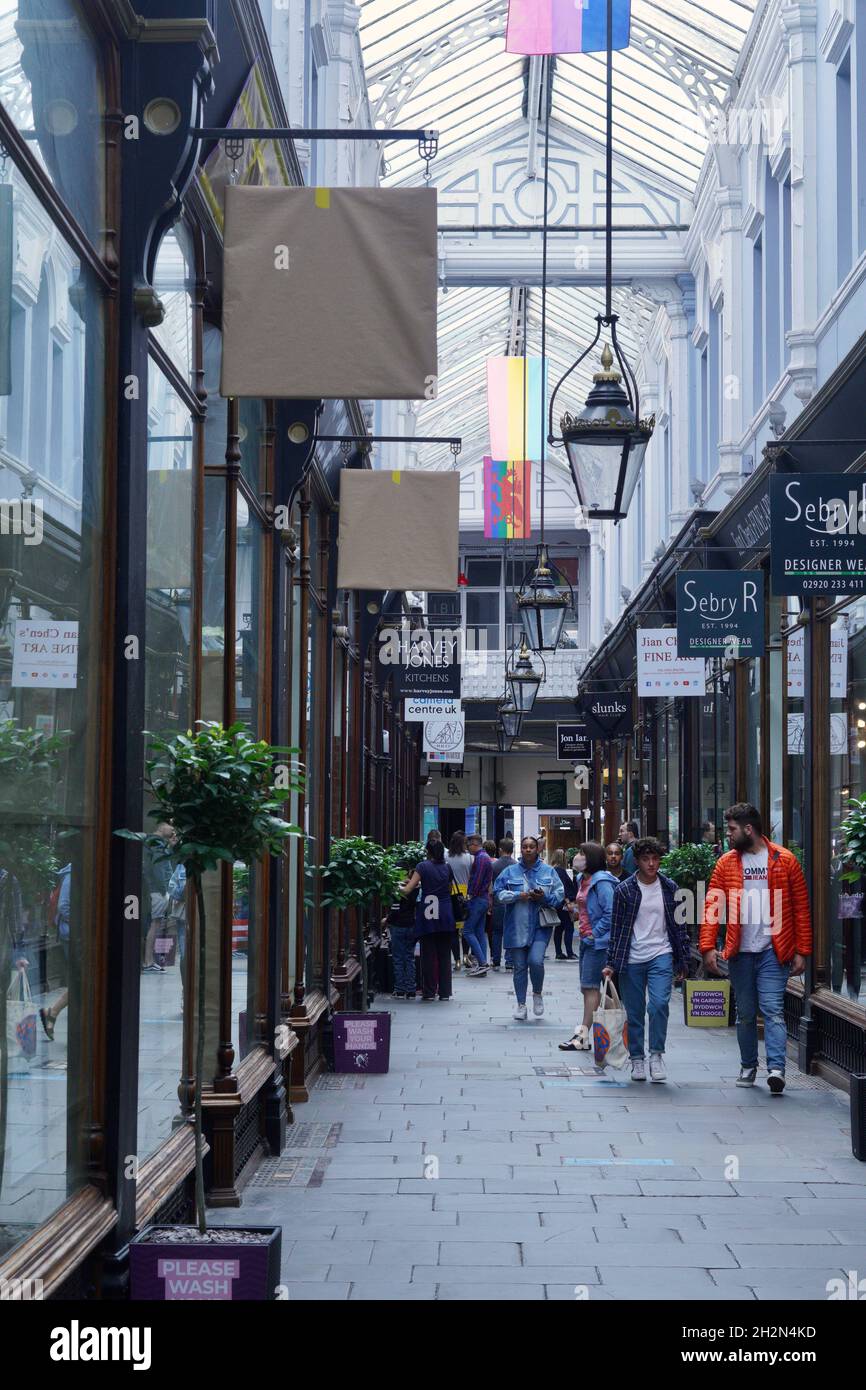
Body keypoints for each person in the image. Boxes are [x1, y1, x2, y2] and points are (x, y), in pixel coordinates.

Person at [700, 802, 811, 1095]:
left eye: (732, 829)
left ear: (748, 829)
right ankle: (748, 1065)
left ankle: (776, 1069)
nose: (728, 834)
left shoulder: (784, 860)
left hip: (774, 950)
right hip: (740, 952)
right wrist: (707, 946)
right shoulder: (726, 863)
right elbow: (713, 904)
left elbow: (801, 907)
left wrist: (803, 950)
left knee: (773, 1009)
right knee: (746, 1013)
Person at [604, 836, 690, 1082]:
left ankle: (656, 1054)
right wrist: (611, 963)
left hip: (661, 953)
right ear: (638, 862)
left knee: (659, 1004)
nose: (652, 864)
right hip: (632, 957)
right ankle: (637, 1059)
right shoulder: (624, 890)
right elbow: (618, 929)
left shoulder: (671, 888)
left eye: (655, 859)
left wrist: (683, 959)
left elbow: (680, 927)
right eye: (646, 859)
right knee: (635, 1011)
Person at [495, 835, 564, 1021]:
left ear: (537, 849)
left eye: (531, 846)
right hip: (516, 926)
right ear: (521, 849)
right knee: (519, 967)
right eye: (524, 846)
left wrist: (544, 898)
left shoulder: (549, 871)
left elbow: (559, 896)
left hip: (541, 926)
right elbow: (498, 893)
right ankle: (521, 1005)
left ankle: (538, 994)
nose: (528, 850)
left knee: (535, 961)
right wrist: (519, 895)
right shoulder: (510, 871)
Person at [559, 843, 616, 1050]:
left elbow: (611, 912)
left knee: (590, 987)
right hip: (586, 939)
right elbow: (587, 908)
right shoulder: (582, 880)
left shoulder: (602, 882)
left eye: (582, 853)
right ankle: (622, 1015)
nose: (577, 857)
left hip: (598, 943)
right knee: (587, 988)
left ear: (591, 858)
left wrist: (594, 933)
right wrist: (575, 912)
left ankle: (581, 1037)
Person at [400, 840, 454, 1001]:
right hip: (445, 912)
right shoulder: (447, 867)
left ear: (428, 852)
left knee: (428, 954)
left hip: (428, 914)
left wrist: (393, 885)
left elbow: (408, 889)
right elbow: (450, 889)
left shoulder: (422, 866)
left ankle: (429, 991)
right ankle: (445, 992)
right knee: (444, 954)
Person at [142, 822, 176, 971]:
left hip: (157, 889)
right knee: (155, 925)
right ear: (162, 827)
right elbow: (157, 867)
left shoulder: (158, 843)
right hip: (158, 890)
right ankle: (148, 961)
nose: (174, 831)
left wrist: (170, 847)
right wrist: (164, 890)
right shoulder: (155, 842)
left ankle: (149, 961)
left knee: (155, 924)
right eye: (171, 827)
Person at [387, 856, 420, 999]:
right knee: (409, 957)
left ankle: (400, 989)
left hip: (398, 926)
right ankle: (411, 989)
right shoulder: (415, 888)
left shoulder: (396, 889)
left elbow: (395, 910)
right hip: (411, 925)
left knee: (398, 958)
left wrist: (387, 920)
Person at [464, 833, 492, 976]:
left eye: (468, 846)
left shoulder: (480, 858)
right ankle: (482, 965)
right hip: (483, 899)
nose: (468, 849)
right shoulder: (484, 857)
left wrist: (470, 895)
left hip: (478, 899)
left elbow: (477, 880)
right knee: (480, 932)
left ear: (474, 844)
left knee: (467, 931)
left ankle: (482, 963)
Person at [446, 830, 472, 971]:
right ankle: (465, 956)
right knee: (465, 929)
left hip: (450, 895)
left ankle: (456, 960)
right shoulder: (469, 858)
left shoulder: (445, 856)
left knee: (453, 930)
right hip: (465, 895)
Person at [489, 837, 516, 970]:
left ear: (500, 850)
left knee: (497, 932)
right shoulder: (516, 865)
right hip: (512, 902)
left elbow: (490, 886)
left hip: (498, 902)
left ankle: (496, 959)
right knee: (510, 931)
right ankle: (510, 960)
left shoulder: (494, 865)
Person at [550, 848, 577, 960]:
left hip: (558, 904)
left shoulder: (553, 870)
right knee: (569, 928)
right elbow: (563, 888)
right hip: (564, 904)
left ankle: (559, 952)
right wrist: (568, 902)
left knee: (559, 928)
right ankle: (569, 952)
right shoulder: (561, 871)